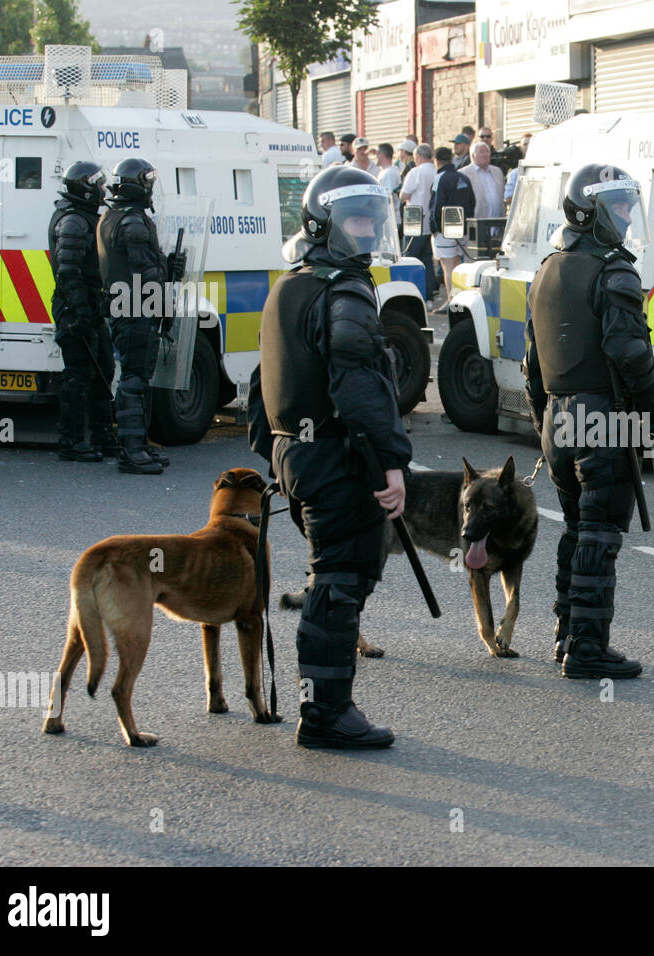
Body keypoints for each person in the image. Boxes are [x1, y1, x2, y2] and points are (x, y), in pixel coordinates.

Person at [253, 164, 412, 749]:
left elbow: (262, 385)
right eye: (353, 220)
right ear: (325, 224)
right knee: (340, 581)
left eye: (372, 219)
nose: (366, 232)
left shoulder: (290, 284)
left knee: (334, 577)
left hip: (299, 457)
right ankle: (324, 714)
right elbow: (359, 387)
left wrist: (278, 456)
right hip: (335, 462)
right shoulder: (343, 289)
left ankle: (323, 707)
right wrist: (392, 462)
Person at [523, 164, 654, 680]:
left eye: (630, 205)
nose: (628, 216)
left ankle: (566, 634)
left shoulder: (546, 269)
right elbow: (630, 353)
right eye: (618, 206)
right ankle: (586, 649)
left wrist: (544, 421)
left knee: (576, 529)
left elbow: (533, 364)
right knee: (599, 533)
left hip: (559, 420)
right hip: (603, 420)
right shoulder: (615, 271)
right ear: (589, 213)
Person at [97, 157, 185, 475]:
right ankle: (132, 452)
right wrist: (166, 287)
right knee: (134, 380)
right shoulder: (133, 222)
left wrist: (168, 266)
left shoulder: (110, 216)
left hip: (126, 306)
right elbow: (145, 273)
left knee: (139, 379)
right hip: (135, 308)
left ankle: (139, 446)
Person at [50, 161, 118, 462]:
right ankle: (72, 441)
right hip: (74, 307)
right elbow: (68, 271)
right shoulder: (74, 222)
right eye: (98, 186)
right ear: (86, 188)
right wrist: (80, 312)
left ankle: (103, 435)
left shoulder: (85, 217)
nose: (103, 191)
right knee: (77, 375)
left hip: (88, 305)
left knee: (103, 369)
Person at [430, 145, 474, 296]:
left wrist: (434, 228)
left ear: (436, 161)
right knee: (458, 266)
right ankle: (459, 301)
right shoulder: (463, 177)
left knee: (448, 267)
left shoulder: (440, 178)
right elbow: (472, 202)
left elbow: (436, 205)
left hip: (445, 230)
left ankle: (452, 302)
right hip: (463, 228)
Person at [400, 143, 438, 301]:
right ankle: (429, 290)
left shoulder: (415, 172)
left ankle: (411, 291)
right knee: (427, 259)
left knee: (411, 257)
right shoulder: (436, 172)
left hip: (415, 220)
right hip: (430, 221)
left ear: (419, 157)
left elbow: (404, 195)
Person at [460, 141, 505, 219]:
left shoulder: (497, 171)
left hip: (498, 222)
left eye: (487, 152)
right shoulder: (464, 173)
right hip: (477, 222)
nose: (485, 155)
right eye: (481, 152)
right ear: (473, 155)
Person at [375, 143, 401, 226]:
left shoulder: (390, 173)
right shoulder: (385, 172)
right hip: (387, 219)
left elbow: (389, 196)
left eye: (377, 154)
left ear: (381, 155)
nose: (376, 157)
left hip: (392, 220)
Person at [504, 133, 532, 208]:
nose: (528, 146)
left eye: (531, 143)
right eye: (525, 144)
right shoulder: (515, 173)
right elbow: (508, 198)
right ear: (520, 148)